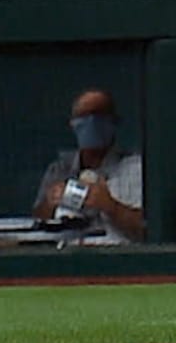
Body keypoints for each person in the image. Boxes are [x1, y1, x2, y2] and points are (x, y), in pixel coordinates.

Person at [31, 89, 145, 243]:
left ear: (114, 122)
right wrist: (49, 204)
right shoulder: (59, 170)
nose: (91, 122)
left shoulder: (135, 169)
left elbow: (148, 229)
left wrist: (110, 206)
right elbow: (37, 221)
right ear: (72, 124)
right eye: (83, 116)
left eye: (99, 115)